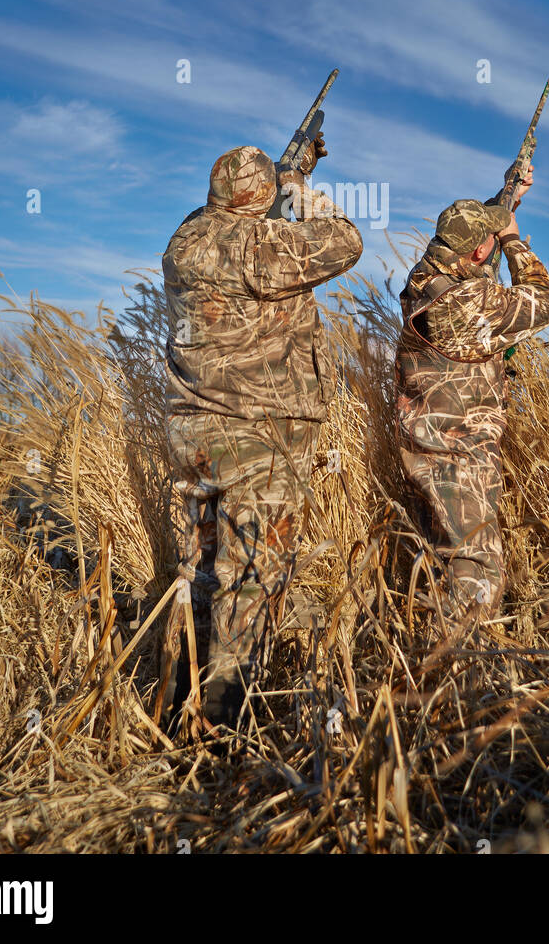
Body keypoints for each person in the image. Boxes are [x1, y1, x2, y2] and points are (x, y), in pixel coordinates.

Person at [159, 138, 363, 730]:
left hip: (195, 432)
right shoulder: (260, 244)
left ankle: (176, 713)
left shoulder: (187, 238)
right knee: (251, 578)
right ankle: (223, 734)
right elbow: (346, 240)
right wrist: (300, 190)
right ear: (261, 200)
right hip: (259, 439)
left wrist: (283, 174)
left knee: (199, 573)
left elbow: (230, 219)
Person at [395, 161, 549, 621]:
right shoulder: (469, 302)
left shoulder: (427, 274)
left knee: (439, 564)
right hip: (462, 456)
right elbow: (544, 302)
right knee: (474, 572)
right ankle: (461, 678)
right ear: (481, 252)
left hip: (424, 444)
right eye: (488, 244)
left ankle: (423, 665)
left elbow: (470, 242)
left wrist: (509, 194)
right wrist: (513, 240)